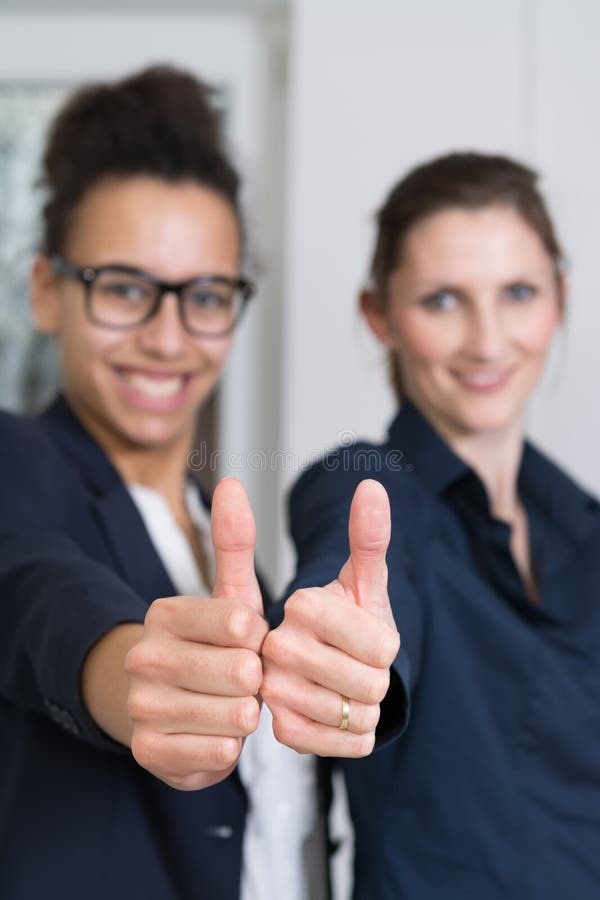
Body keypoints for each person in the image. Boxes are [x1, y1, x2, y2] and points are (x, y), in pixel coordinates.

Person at [0, 64, 399, 900]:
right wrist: (122, 669)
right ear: (47, 291)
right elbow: (33, 590)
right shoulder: (19, 464)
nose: (168, 337)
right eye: (125, 289)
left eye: (206, 295)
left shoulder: (233, 555)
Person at [262, 152, 600, 899]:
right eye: (443, 300)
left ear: (559, 300)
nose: (487, 341)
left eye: (517, 292)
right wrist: (339, 650)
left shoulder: (587, 527)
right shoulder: (367, 487)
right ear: (379, 314)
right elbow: (352, 581)